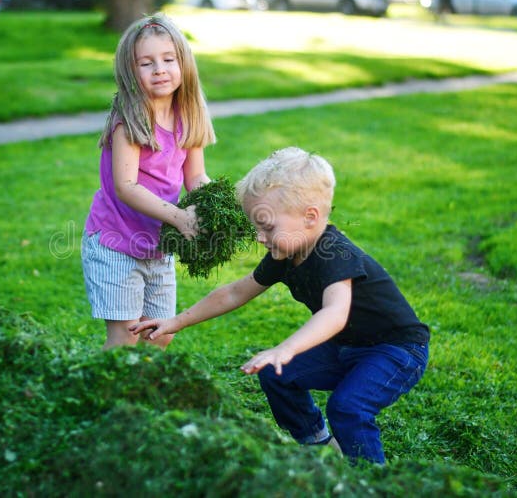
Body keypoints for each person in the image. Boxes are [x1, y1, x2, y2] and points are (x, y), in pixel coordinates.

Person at [130, 147, 429, 464]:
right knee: (276, 373)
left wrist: (286, 348)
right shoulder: (285, 254)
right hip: (348, 347)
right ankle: (321, 446)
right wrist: (176, 322)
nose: (260, 237)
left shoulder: (334, 254)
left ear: (310, 217)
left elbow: (335, 314)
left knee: (348, 407)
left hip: (396, 350)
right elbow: (235, 292)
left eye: (268, 227)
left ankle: (372, 478)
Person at [82, 13, 215, 350]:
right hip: (115, 243)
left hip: (158, 247)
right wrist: (179, 218)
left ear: (183, 64)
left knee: (162, 333)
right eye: (147, 63)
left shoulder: (189, 116)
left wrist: (209, 208)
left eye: (169, 59)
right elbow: (127, 187)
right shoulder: (129, 121)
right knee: (125, 337)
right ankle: (111, 398)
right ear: (131, 71)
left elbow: (195, 176)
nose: (159, 69)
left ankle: (146, 398)